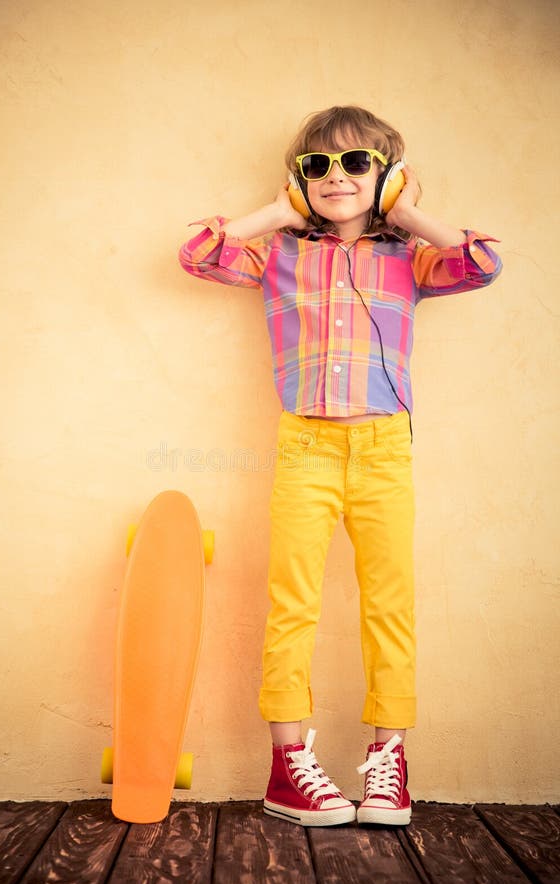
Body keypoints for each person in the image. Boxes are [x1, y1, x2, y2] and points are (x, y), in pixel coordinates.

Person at [178, 105, 502, 828]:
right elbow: (199, 251)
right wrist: (281, 208)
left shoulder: (406, 257)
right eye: (316, 165)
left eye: (357, 162)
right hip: (306, 445)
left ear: (386, 174)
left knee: (390, 607)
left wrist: (405, 211)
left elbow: (482, 261)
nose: (336, 177)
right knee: (292, 603)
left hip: (385, 448)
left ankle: (391, 763)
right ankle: (287, 768)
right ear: (298, 180)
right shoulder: (281, 253)